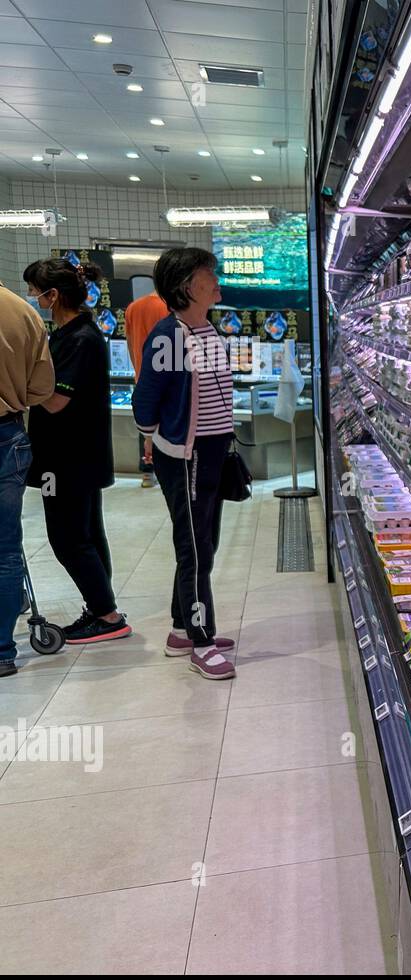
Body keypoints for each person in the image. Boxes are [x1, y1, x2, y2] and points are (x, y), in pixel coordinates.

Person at [132, 248, 238, 680]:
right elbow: (144, 403)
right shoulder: (167, 337)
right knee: (193, 546)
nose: (215, 280)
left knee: (205, 542)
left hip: (210, 452)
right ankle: (201, 639)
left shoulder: (205, 329)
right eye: (206, 274)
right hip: (186, 456)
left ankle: (181, 629)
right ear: (184, 286)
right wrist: (160, 436)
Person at [23, 257, 129, 644]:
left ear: (54, 295)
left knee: (68, 539)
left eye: (35, 292)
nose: (32, 298)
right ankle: (102, 606)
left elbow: (56, 402)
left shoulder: (79, 339)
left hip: (65, 458)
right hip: (76, 455)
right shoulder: (72, 334)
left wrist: (18, 383)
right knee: (87, 534)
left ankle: (107, 614)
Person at [0, 282, 55, 677]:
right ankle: (3, 650)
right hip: (8, 437)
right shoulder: (23, 311)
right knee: (5, 550)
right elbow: (42, 388)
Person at [125, 288, 168, 488]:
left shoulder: (133, 308)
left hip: (142, 375)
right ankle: (162, 469)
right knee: (164, 425)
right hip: (164, 377)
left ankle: (147, 473)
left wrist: (137, 369)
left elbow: (129, 342)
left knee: (145, 426)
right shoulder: (169, 308)